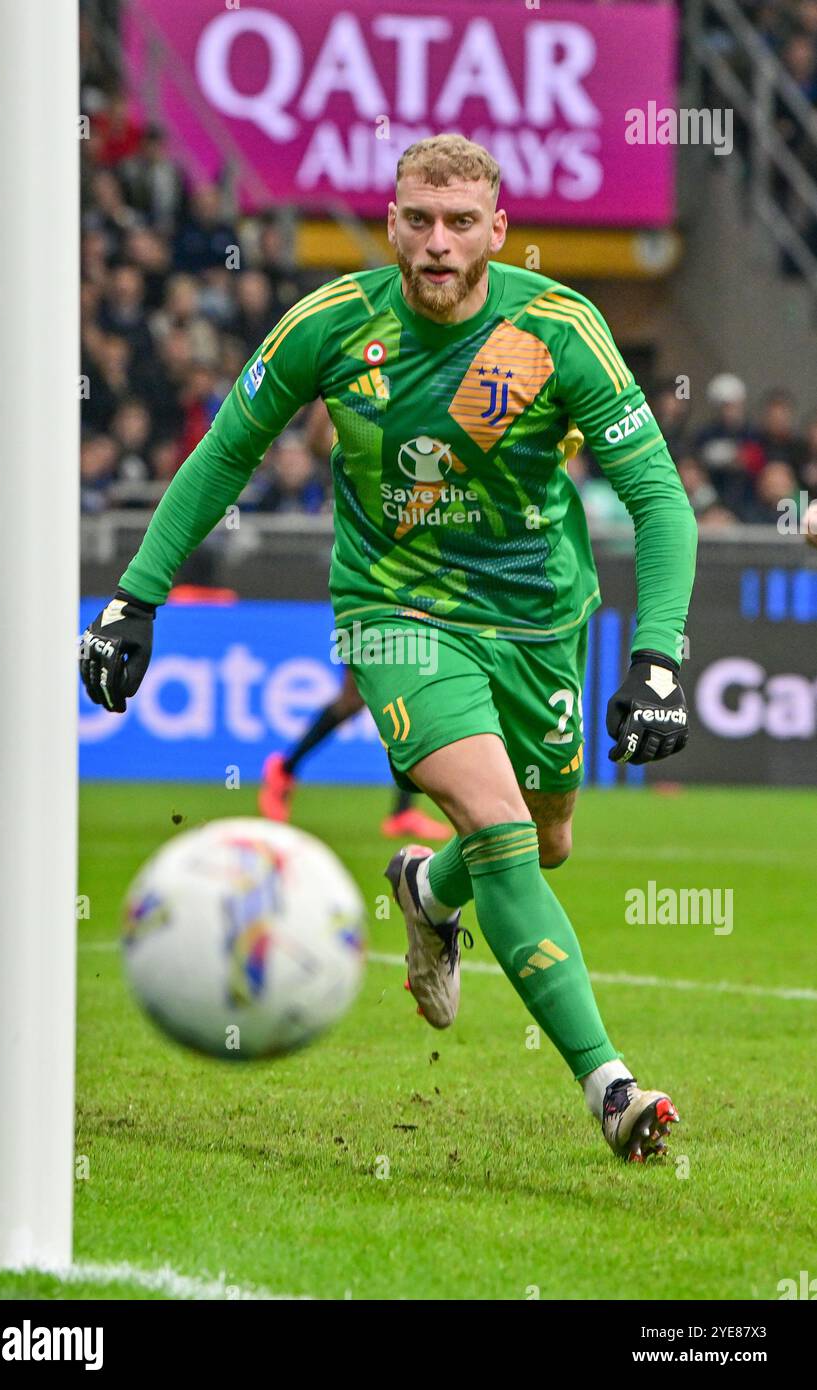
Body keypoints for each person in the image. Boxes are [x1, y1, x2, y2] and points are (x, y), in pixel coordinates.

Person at [81, 134, 697, 1163]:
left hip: (542, 621)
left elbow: (658, 500)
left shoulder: (558, 332)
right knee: (503, 828)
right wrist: (135, 599)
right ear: (390, 223)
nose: (438, 243)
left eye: (461, 223)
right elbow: (225, 452)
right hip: (395, 612)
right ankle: (610, 1085)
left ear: (498, 231)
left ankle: (425, 888)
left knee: (546, 842)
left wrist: (659, 656)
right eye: (419, 219)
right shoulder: (331, 326)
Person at [258, 668, 449, 841]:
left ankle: (403, 811)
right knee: (353, 701)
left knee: (405, 701)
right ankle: (284, 769)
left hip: (402, 631)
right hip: (370, 631)